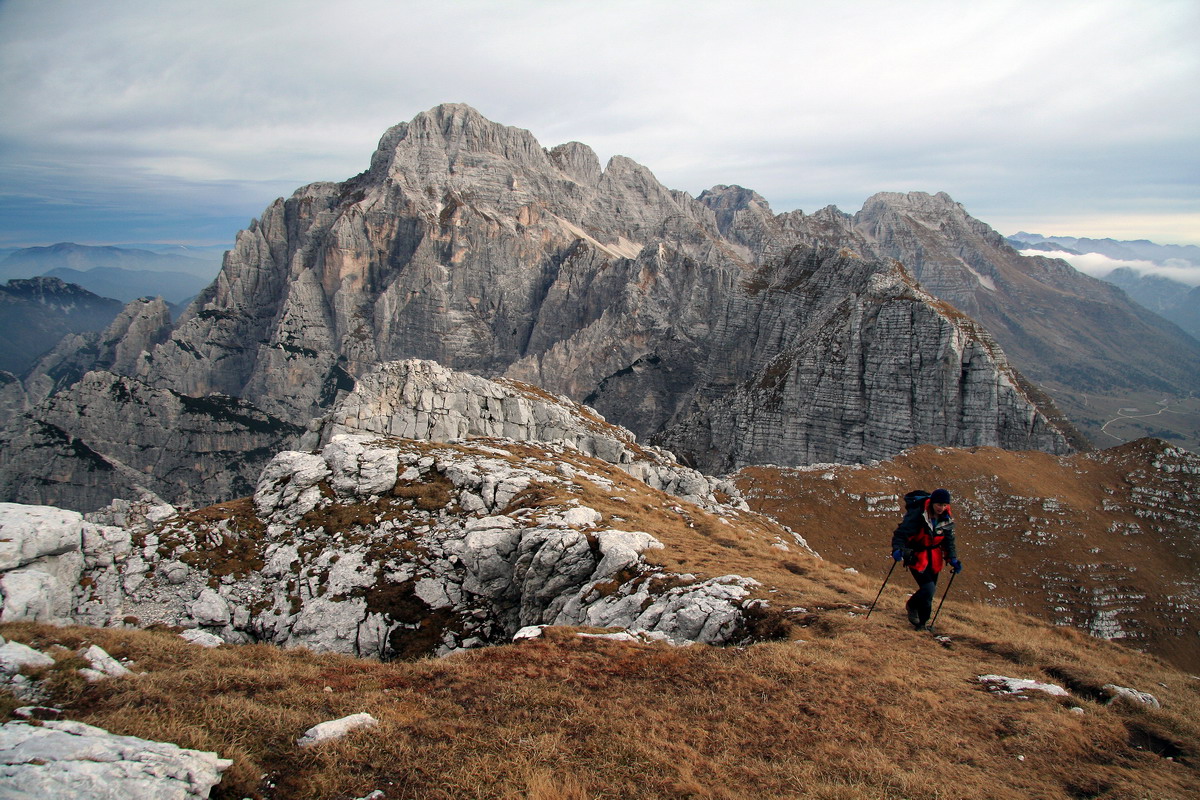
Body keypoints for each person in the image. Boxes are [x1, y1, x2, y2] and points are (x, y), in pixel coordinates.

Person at [891, 488, 961, 630]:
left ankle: (922, 624)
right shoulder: (918, 515)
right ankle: (912, 605)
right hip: (917, 557)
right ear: (932, 503)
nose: (941, 508)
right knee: (929, 589)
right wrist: (897, 549)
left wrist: (952, 558)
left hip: (934, 559)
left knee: (930, 592)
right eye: (938, 505)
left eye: (944, 505)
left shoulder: (946, 517)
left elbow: (948, 541)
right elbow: (902, 533)